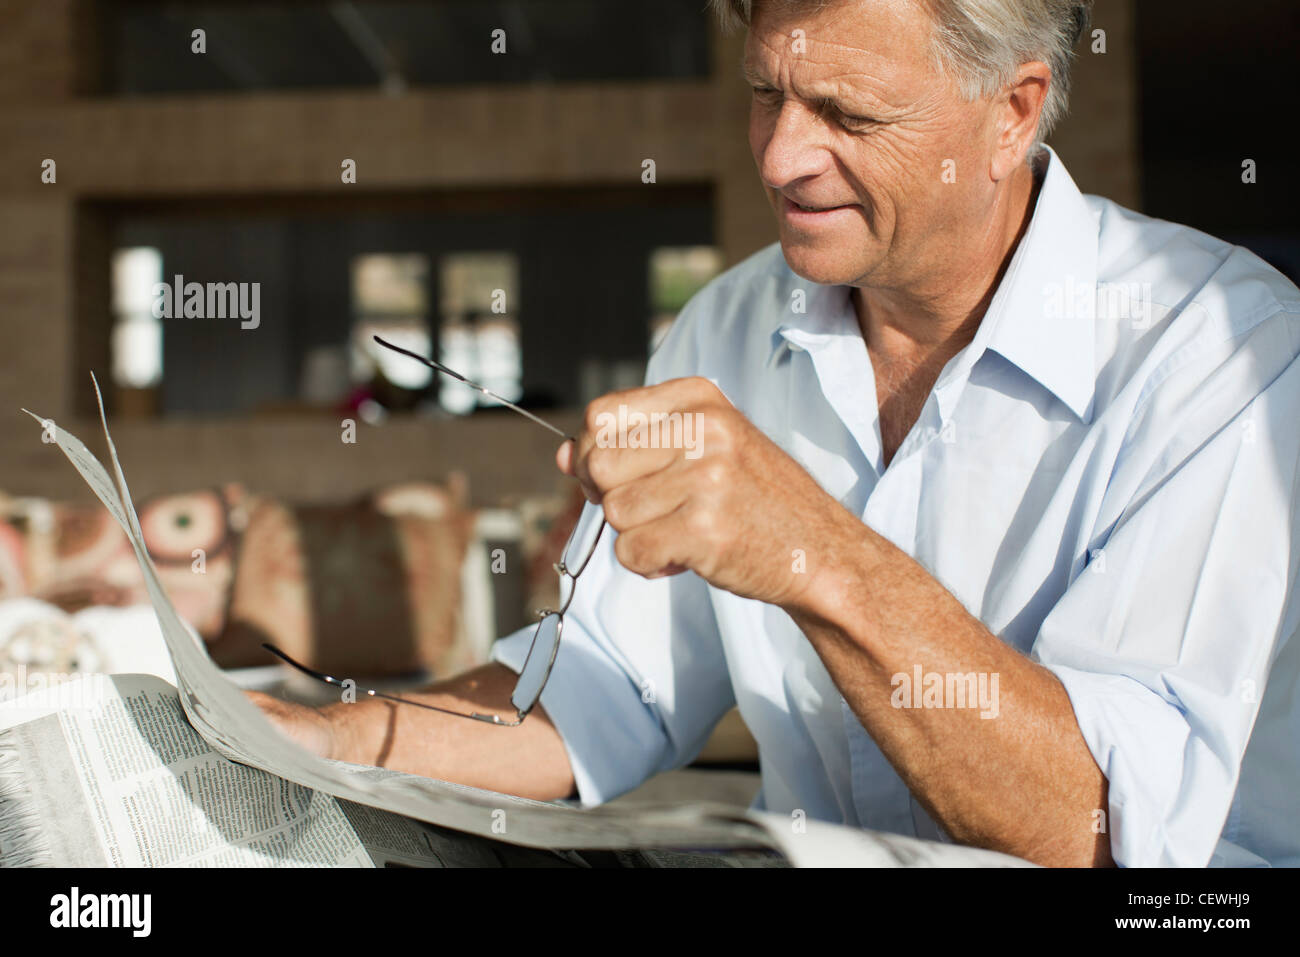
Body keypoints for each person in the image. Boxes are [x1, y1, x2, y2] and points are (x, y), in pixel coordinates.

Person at [252, 0, 1300, 867]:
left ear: (1011, 114)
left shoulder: (1222, 353)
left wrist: (807, 548)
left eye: (846, 111)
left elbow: (1102, 823)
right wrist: (326, 739)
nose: (784, 157)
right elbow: (600, 686)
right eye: (766, 93)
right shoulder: (724, 326)